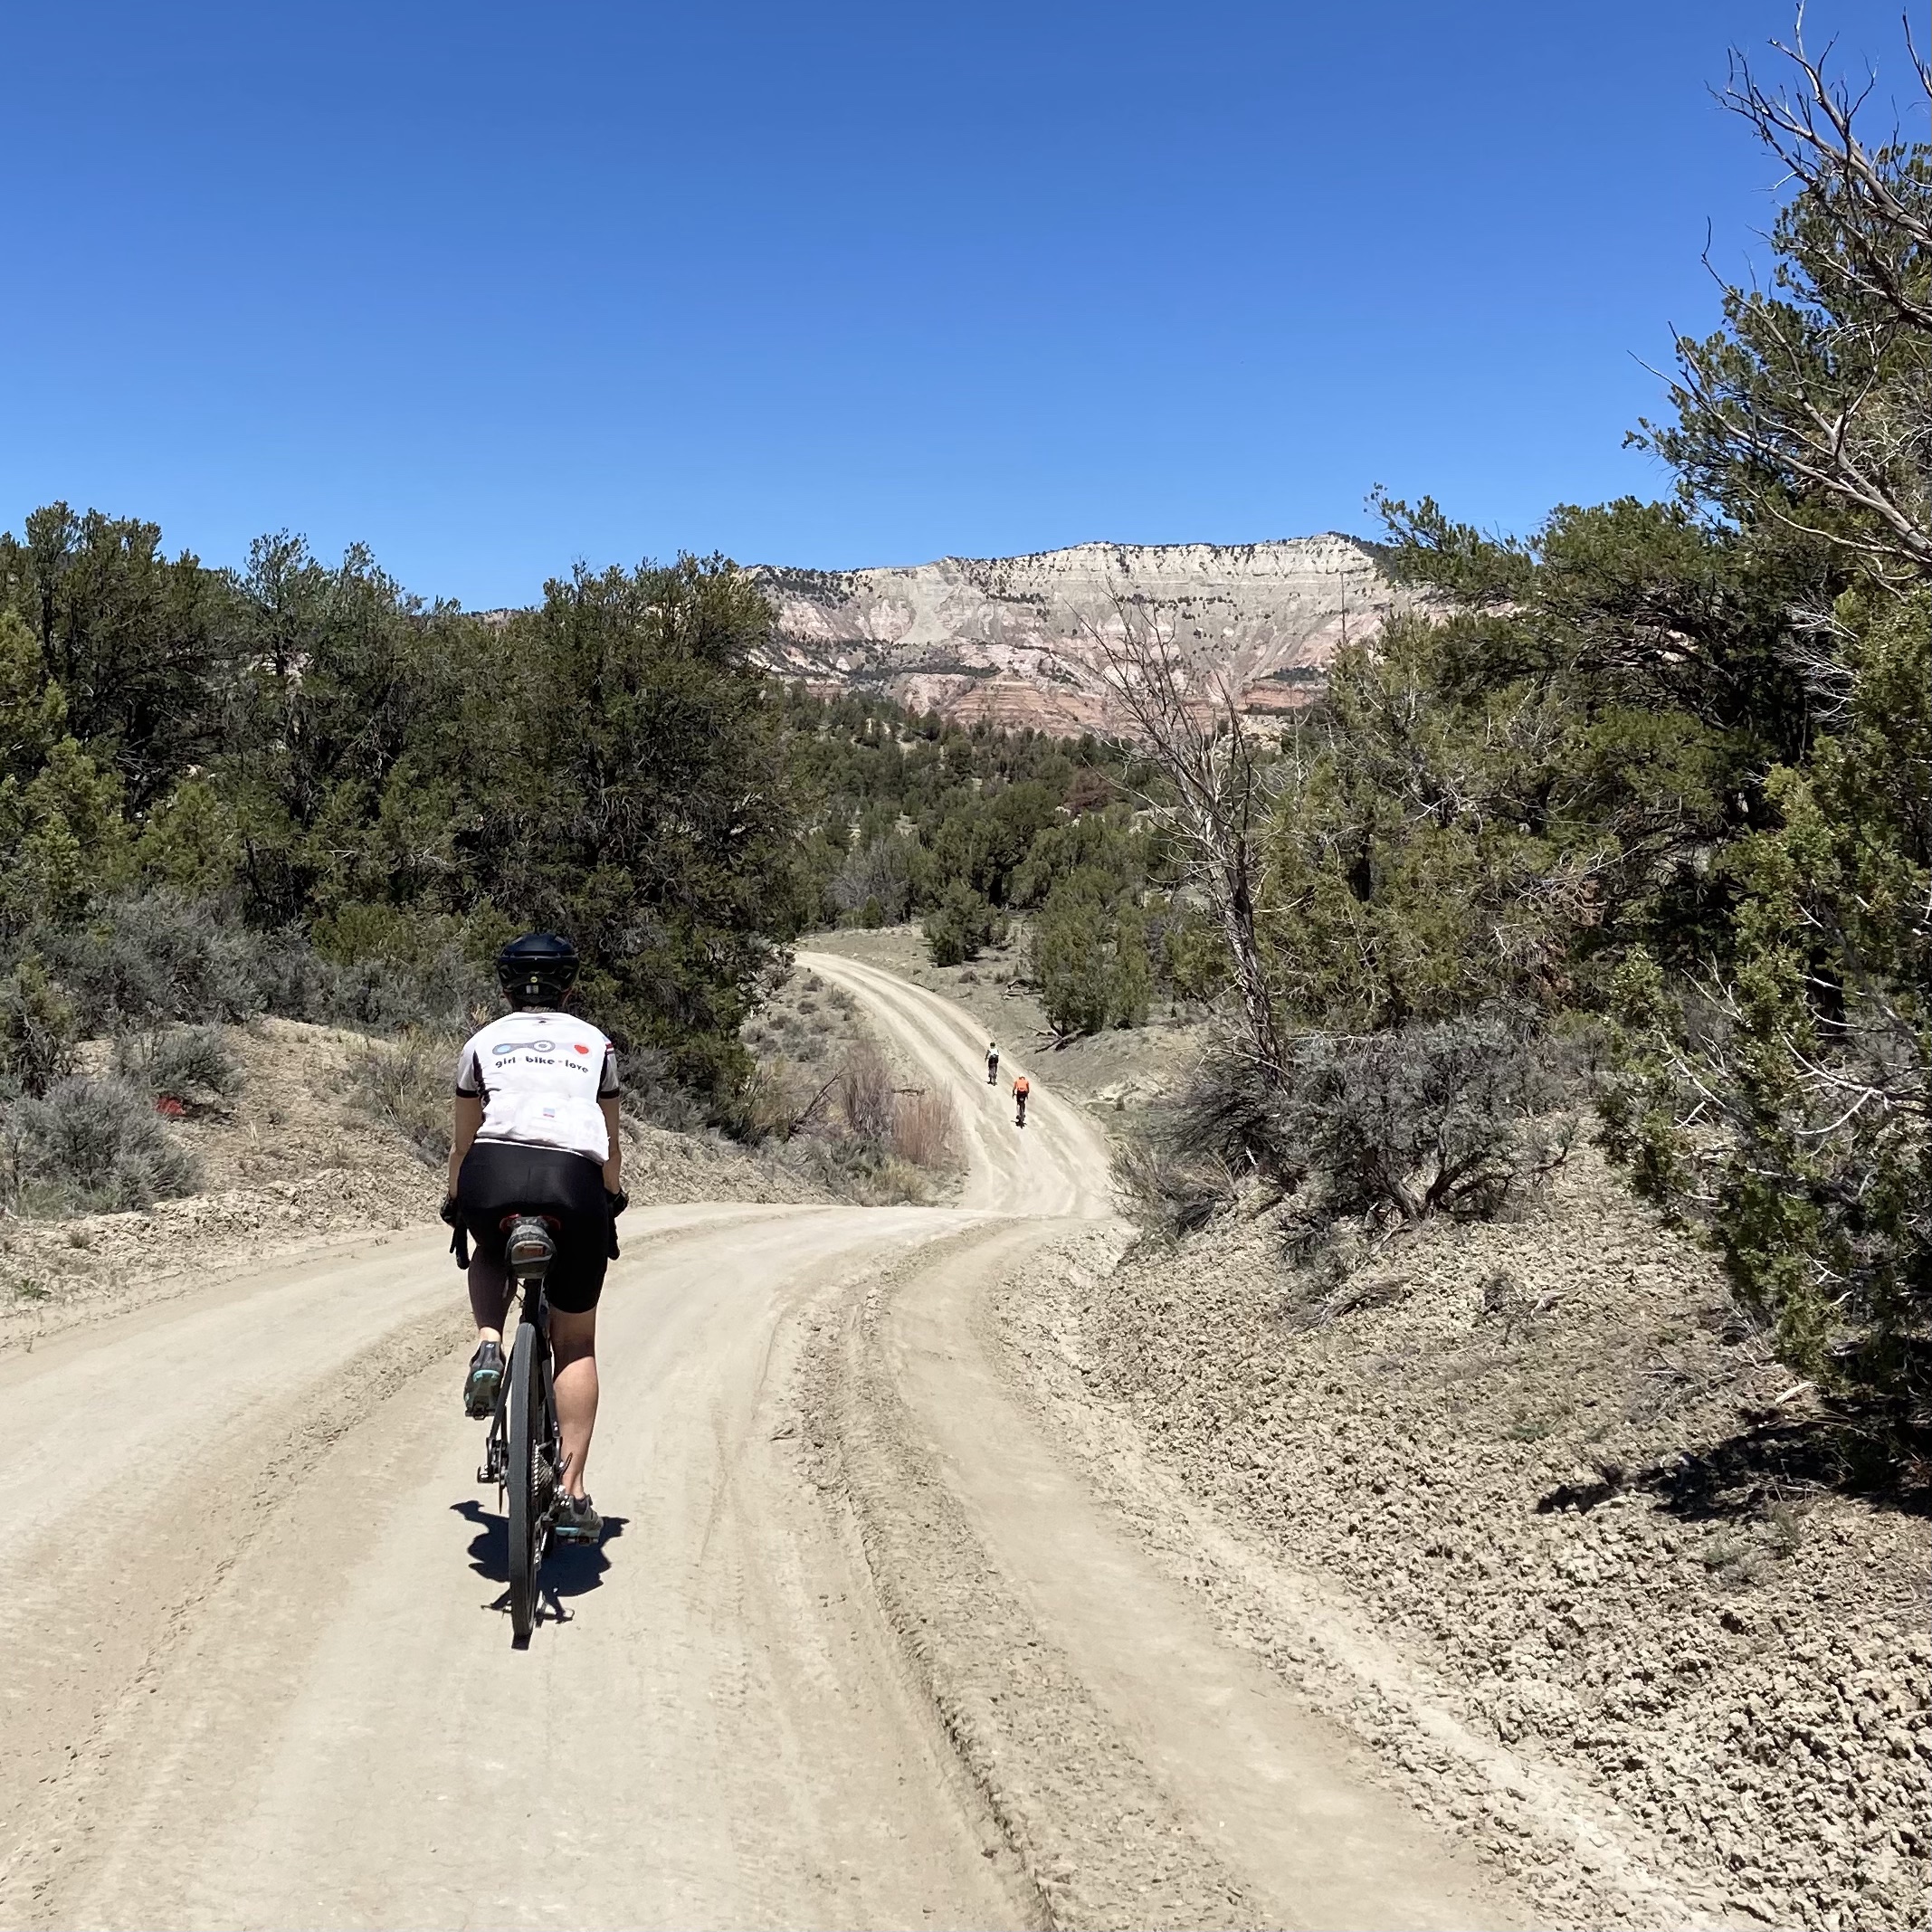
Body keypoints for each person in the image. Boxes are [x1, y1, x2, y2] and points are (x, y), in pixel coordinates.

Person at [442, 931, 624, 1545]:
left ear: (504, 986)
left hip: (493, 1173)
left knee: (491, 1244)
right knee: (574, 1342)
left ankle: (490, 1344)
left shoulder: (481, 1042)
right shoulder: (594, 1043)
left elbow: (465, 1141)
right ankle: (571, 1493)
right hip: (572, 1181)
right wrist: (611, 1194)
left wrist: (454, 1197)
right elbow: (610, 1139)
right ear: (570, 986)